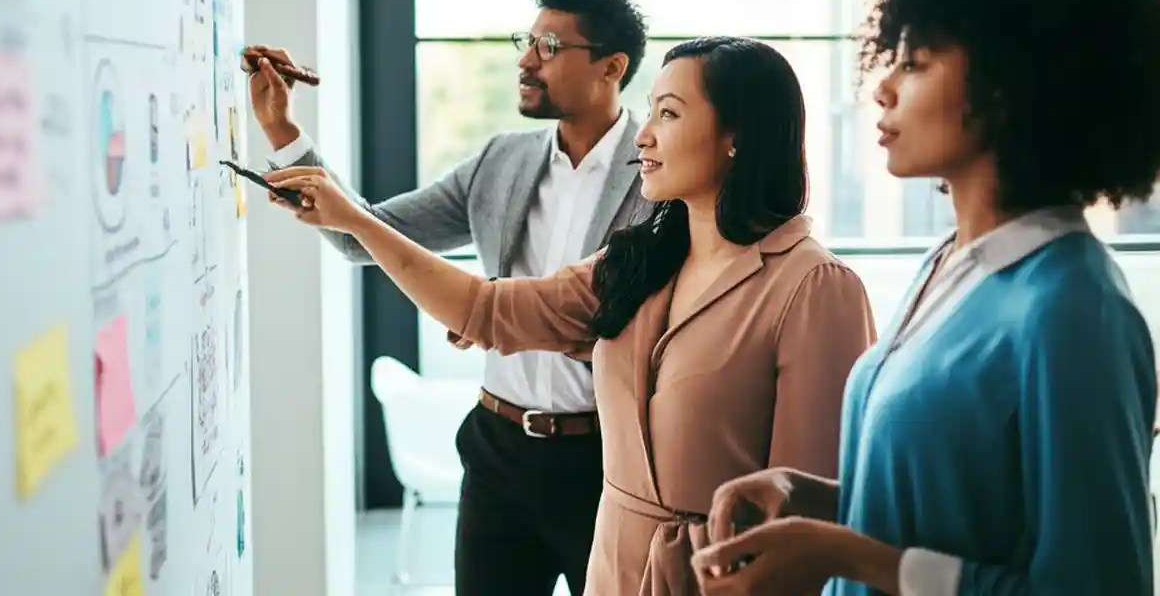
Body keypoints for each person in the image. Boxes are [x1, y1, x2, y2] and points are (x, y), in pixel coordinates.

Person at [266, 36, 877, 594]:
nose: (645, 136)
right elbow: (486, 309)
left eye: (668, 113)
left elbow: (806, 517)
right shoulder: (642, 259)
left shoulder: (815, 287)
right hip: (612, 563)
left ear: (736, 136)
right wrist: (349, 216)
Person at [690, 0, 1160, 596]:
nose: (883, 86)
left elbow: (1097, 586)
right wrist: (812, 496)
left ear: (1008, 84)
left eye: (914, 63)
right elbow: (953, 501)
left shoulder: (1074, 311)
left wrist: (848, 556)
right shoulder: (950, 267)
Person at [246, 0, 651, 595]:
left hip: (608, 458)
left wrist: (488, 314)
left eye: (548, 45)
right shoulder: (501, 161)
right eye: (527, 41)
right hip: (498, 451)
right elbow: (364, 237)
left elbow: (639, 324)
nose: (525, 59)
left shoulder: (659, 175)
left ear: (611, 67)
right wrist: (282, 132)